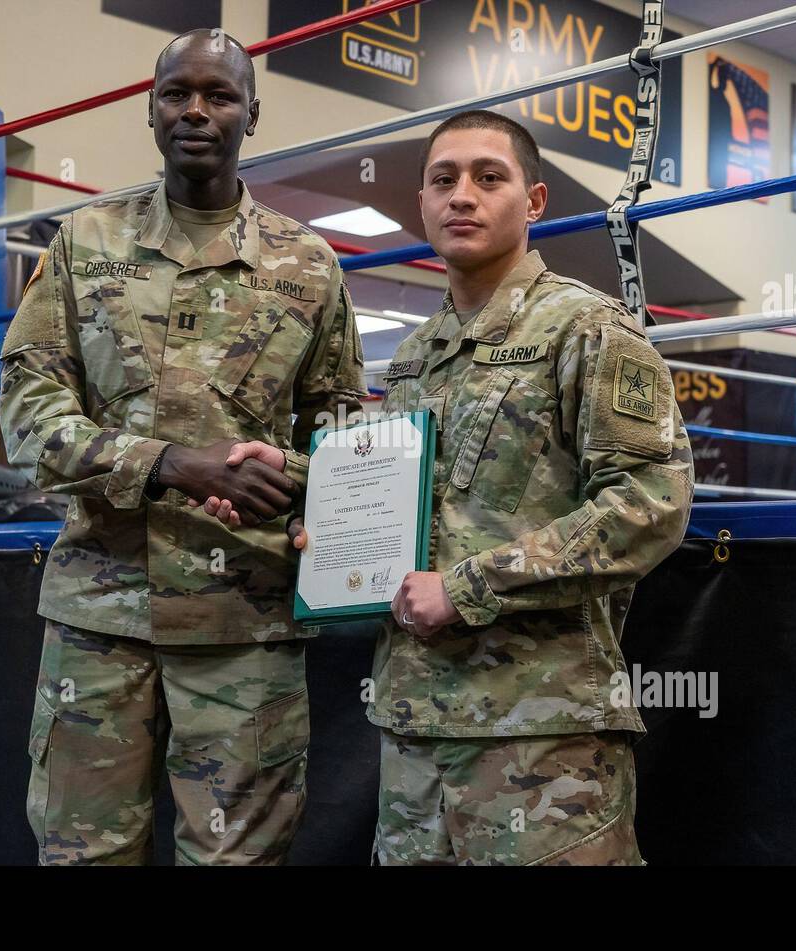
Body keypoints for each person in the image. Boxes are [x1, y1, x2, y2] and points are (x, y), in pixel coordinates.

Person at [222, 109, 693, 864]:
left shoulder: (587, 329)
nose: (462, 196)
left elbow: (650, 506)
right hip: (415, 732)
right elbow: (412, 492)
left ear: (534, 201)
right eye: (443, 180)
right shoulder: (416, 355)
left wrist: (469, 586)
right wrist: (300, 486)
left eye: (488, 177)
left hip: (541, 742)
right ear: (422, 204)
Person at [0, 28, 366, 865]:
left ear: (252, 114)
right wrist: (166, 464)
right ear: (151, 110)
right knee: (84, 853)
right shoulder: (84, 244)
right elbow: (27, 417)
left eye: (220, 95)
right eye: (177, 94)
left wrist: (297, 478)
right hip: (100, 618)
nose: (196, 111)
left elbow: (342, 430)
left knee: (237, 859)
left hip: (245, 620)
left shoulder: (309, 265)